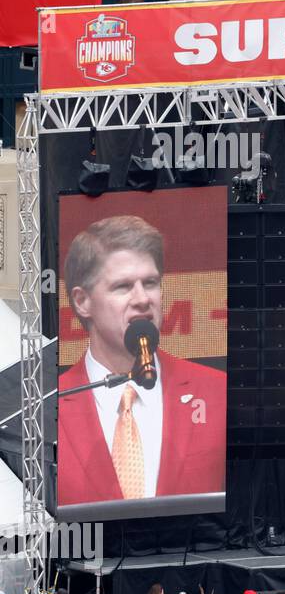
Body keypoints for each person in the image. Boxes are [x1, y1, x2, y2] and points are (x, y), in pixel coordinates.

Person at [57, 215, 227, 507]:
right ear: (82, 301)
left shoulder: (217, 392)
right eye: (122, 286)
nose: (142, 298)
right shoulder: (50, 407)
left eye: (150, 283)